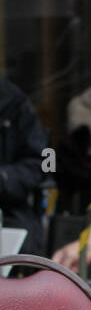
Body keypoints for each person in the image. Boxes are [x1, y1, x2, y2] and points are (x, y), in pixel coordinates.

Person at [0, 76, 49, 258]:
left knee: (24, 246)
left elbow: (43, 164)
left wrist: (4, 178)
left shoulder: (14, 102)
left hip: (8, 208)